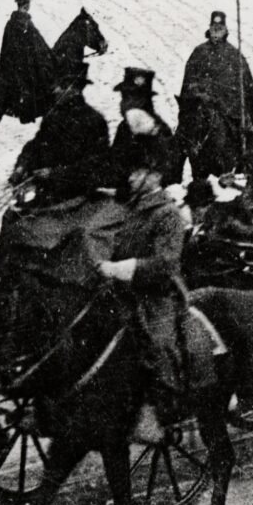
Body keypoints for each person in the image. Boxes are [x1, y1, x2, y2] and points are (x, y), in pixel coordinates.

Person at [97, 130, 189, 427]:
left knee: (158, 343)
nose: (131, 178)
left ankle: (167, 403)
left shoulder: (167, 213)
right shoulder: (132, 210)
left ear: (153, 176)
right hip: (124, 292)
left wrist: (122, 269)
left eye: (137, 172)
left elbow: (165, 265)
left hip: (158, 295)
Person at [9, 64, 109, 204]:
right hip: (49, 194)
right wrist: (21, 166)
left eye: (60, 86)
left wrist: (54, 174)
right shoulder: (53, 116)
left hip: (80, 199)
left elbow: (94, 166)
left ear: (74, 89)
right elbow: (36, 145)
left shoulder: (93, 120)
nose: (55, 90)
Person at [180, 10, 253, 137]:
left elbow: (248, 87)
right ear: (209, 28)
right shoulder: (199, 52)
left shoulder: (235, 55)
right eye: (214, 27)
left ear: (225, 30)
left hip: (229, 113)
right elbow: (188, 83)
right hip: (203, 110)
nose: (216, 31)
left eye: (220, 28)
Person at [107, 67, 178, 189]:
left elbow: (167, 173)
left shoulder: (158, 130)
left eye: (130, 98)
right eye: (125, 97)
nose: (123, 103)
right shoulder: (125, 127)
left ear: (144, 100)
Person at [0, 0, 53, 124]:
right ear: (26, 4)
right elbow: (38, 42)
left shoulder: (11, 23)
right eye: (27, 2)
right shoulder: (25, 22)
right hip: (22, 66)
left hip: (14, 64)